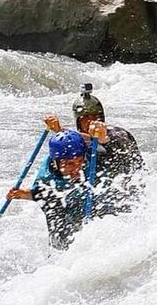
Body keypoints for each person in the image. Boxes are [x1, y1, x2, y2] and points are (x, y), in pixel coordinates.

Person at [44, 83, 144, 214]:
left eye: (95, 117)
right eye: (85, 118)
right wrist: (59, 130)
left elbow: (123, 152)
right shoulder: (80, 141)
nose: (91, 122)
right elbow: (85, 139)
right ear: (78, 122)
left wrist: (104, 140)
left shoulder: (118, 134)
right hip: (101, 193)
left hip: (128, 193)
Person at [7, 130, 94, 250]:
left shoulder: (91, 157)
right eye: (70, 164)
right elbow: (41, 194)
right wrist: (24, 194)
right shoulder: (46, 177)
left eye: (79, 161)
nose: (77, 168)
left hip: (88, 203)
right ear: (56, 162)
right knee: (55, 211)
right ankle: (60, 250)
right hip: (66, 208)